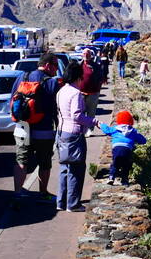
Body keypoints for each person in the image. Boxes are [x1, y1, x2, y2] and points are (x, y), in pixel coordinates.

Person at [11, 52, 61, 205]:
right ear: (47, 65)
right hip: (44, 130)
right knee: (44, 162)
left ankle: (18, 193)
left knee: (21, 161)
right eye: (55, 66)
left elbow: (12, 98)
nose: (56, 70)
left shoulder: (23, 77)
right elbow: (56, 106)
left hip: (22, 128)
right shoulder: (51, 83)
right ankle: (43, 193)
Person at [54, 60, 96, 212]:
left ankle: (61, 201)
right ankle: (73, 204)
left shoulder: (61, 91)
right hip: (74, 134)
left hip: (61, 132)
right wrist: (93, 121)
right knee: (76, 169)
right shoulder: (76, 93)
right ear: (78, 77)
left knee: (64, 167)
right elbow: (77, 116)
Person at [100, 110, 146, 185]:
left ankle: (111, 177)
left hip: (117, 148)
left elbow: (107, 130)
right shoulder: (133, 131)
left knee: (115, 163)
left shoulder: (115, 129)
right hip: (127, 149)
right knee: (126, 165)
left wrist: (101, 124)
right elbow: (143, 140)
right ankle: (124, 180)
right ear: (131, 121)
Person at [79, 49, 104, 119]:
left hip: (92, 95)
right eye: (84, 54)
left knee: (91, 115)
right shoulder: (78, 66)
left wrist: (97, 91)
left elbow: (100, 78)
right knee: (80, 116)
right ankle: (81, 130)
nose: (86, 55)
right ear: (82, 55)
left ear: (91, 56)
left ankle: (90, 130)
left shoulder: (96, 66)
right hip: (80, 95)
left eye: (88, 54)